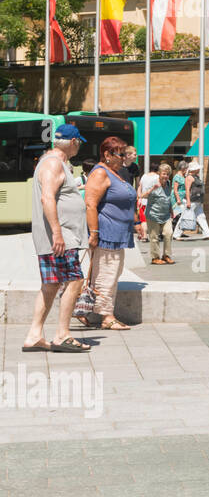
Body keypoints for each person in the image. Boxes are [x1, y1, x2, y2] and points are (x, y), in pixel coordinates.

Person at [23, 124, 92, 352]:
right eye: (78, 142)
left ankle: (34, 335)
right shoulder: (53, 163)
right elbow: (47, 199)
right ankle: (62, 334)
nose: (79, 146)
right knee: (74, 280)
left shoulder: (54, 162)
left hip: (57, 237)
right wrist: (58, 233)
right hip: (61, 238)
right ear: (73, 142)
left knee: (51, 285)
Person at [83, 136, 136, 331]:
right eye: (120, 154)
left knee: (112, 274)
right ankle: (107, 317)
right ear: (107, 154)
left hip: (118, 234)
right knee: (106, 275)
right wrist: (94, 233)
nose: (124, 158)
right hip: (106, 233)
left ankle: (83, 311)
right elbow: (90, 204)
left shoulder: (116, 173)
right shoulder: (100, 173)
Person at [144, 163, 176, 265]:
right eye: (164, 174)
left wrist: (171, 210)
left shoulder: (168, 183)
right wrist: (152, 189)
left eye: (167, 174)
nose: (165, 176)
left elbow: (168, 198)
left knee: (168, 233)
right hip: (153, 214)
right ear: (159, 174)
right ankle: (155, 257)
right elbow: (142, 195)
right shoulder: (153, 183)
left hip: (165, 215)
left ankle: (166, 255)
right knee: (154, 237)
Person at [182, 160, 209, 240]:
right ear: (194, 169)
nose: (199, 169)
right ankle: (176, 234)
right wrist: (188, 201)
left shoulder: (196, 177)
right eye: (197, 168)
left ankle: (207, 234)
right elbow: (187, 190)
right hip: (191, 200)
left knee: (201, 217)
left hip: (197, 201)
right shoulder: (189, 177)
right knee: (184, 217)